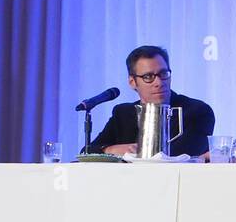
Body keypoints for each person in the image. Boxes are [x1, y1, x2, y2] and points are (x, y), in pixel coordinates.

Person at [86, 45, 215, 157]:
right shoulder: (123, 113)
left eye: (163, 74)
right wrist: (112, 149)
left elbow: (186, 154)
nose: (158, 83)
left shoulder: (197, 111)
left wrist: (141, 152)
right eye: (148, 77)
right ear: (132, 82)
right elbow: (88, 151)